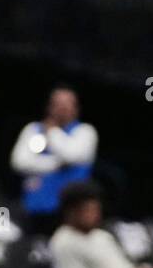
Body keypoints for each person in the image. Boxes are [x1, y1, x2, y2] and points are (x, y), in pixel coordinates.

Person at [10, 86, 98, 236]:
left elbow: (70, 155)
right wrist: (57, 164)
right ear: (49, 107)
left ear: (76, 108)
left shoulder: (85, 132)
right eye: (57, 104)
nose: (62, 109)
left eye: (67, 105)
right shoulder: (33, 129)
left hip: (68, 214)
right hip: (33, 208)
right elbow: (19, 162)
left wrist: (52, 131)